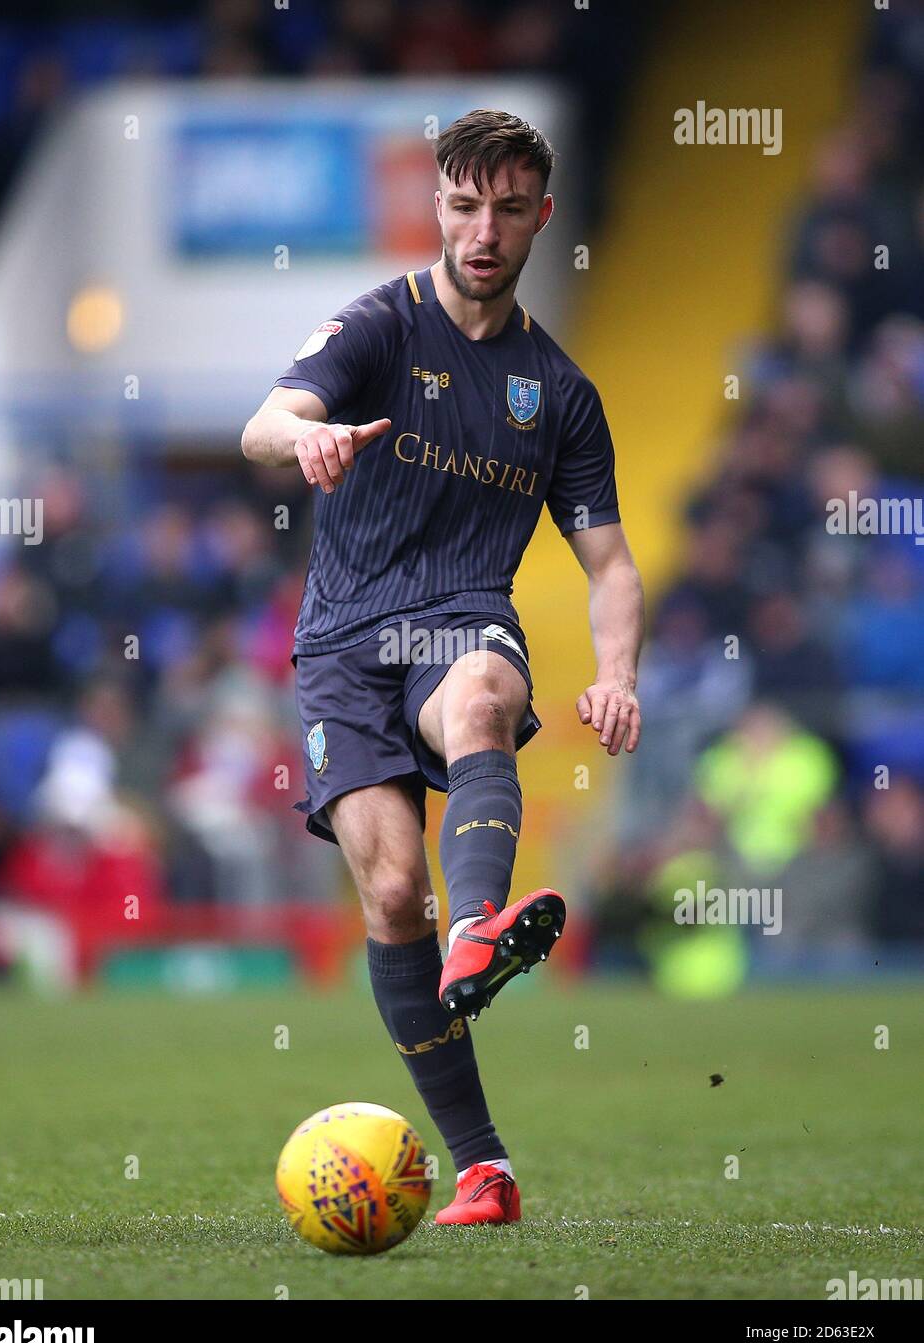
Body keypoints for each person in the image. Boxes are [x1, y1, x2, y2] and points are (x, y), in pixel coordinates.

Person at [242, 109, 644, 1226]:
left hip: (461, 617)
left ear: (541, 219)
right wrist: (308, 437)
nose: (484, 230)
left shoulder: (560, 393)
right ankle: (484, 1169)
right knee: (387, 892)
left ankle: (481, 925)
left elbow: (609, 565)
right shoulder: (381, 325)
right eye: (465, 205)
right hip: (339, 643)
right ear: (440, 207)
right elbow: (263, 425)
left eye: (509, 209)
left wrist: (616, 670)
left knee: (481, 695)